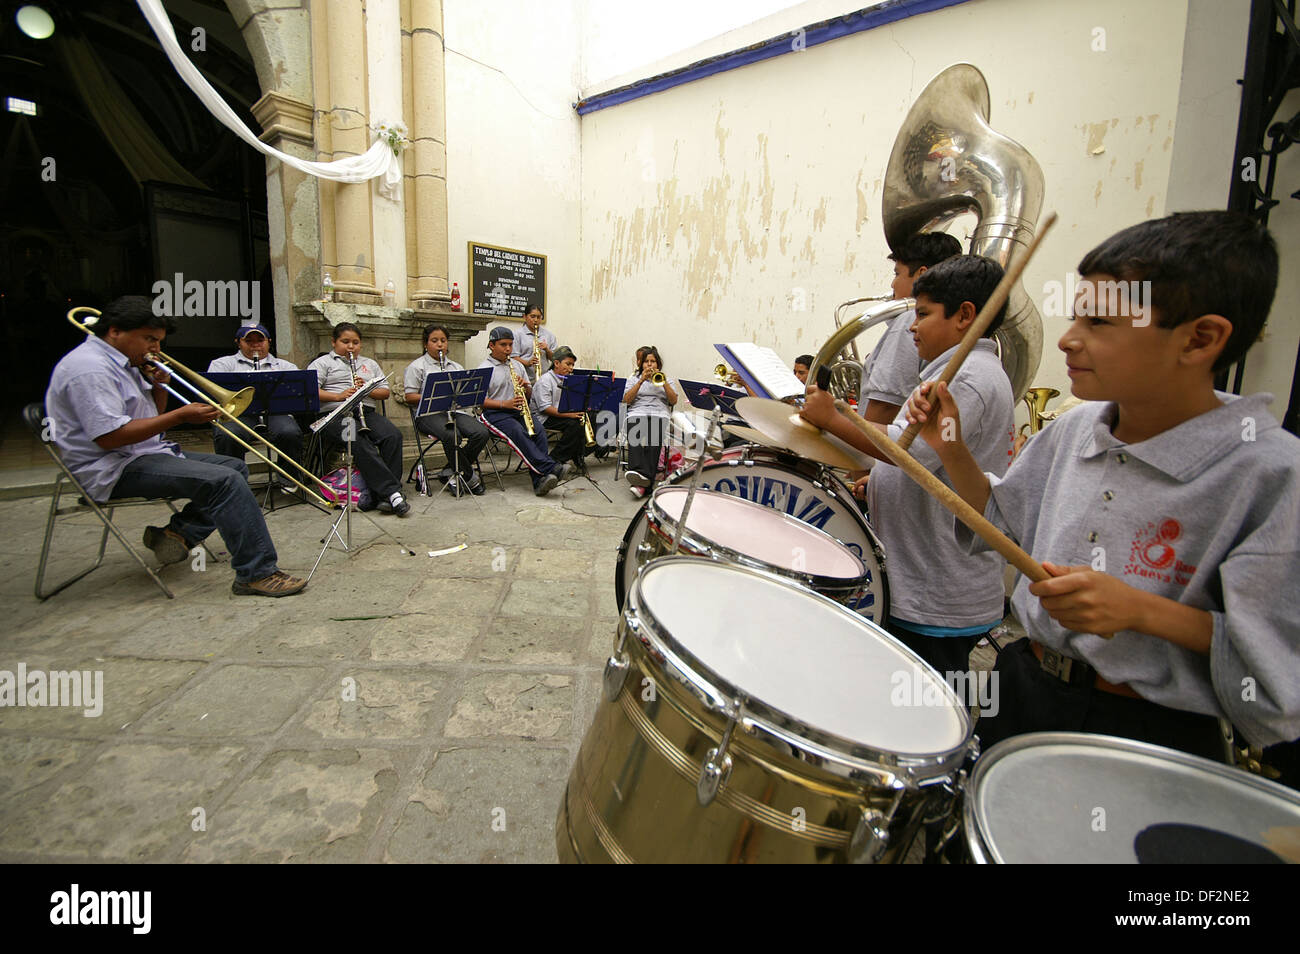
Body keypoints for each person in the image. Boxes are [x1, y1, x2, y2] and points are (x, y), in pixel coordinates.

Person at [904, 210, 1300, 759]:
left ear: (1200, 339)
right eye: (1076, 318)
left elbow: (1279, 661)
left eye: (1099, 324)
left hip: (1147, 732)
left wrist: (1143, 611)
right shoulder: (1074, 428)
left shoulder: (1270, 472)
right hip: (1030, 686)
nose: (1069, 341)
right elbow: (998, 523)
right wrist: (949, 444)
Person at [803, 256, 1014, 675]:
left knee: (919, 705)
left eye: (923, 314)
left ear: (965, 315)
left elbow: (906, 450)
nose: (912, 326)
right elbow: (924, 462)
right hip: (924, 579)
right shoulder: (960, 371)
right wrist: (879, 483)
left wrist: (832, 419)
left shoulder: (966, 378)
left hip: (935, 591)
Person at [45, 296, 306, 596]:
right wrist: (180, 415)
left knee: (233, 466)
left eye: (157, 340)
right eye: (148, 339)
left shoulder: (125, 362)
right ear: (115, 331)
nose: (155, 349)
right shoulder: (90, 369)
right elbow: (110, 437)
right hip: (113, 467)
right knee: (226, 481)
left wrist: (158, 387)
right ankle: (256, 572)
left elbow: (150, 417)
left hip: (141, 453)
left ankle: (176, 535)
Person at [859, 232, 963, 426]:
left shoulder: (908, 321)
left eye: (897, 273)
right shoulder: (946, 323)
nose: (893, 284)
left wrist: (833, 420)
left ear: (921, 274)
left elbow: (885, 406)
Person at [307, 323, 409, 515]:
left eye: (355, 342)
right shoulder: (323, 364)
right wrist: (339, 396)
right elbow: (310, 391)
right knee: (358, 439)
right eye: (345, 342)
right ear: (334, 342)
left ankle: (382, 495)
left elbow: (385, 392)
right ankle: (392, 493)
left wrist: (366, 389)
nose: (351, 347)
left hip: (365, 411)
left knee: (393, 436)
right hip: (335, 414)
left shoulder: (369, 364)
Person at [478, 326, 571, 496]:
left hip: (518, 410)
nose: (508, 349)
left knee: (539, 432)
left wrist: (525, 386)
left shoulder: (516, 365)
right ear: (492, 345)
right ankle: (549, 468)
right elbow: (479, 400)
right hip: (494, 413)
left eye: (510, 345)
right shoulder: (484, 368)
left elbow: (529, 394)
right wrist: (504, 404)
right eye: (503, 345)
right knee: (518, 432)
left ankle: (540, 481)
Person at [403, 323, 488, 496]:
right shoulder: (417, 366)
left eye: (443, 340)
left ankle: (451, 471)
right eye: (434, 341)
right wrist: (433, 397)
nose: (440, 344)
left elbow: (465, 394)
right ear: (426, 344)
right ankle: (468, 476)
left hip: (453, 412)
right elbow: (409, 397)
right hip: (428, 414)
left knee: (481, 432)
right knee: (452, 434)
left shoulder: (455, 367)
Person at [206, 323, 303, 466]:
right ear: (238, 342)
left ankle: (289, 480)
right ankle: (234, 478)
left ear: (269, 342)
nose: (255, 345)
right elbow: (212, 396)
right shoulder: (221, 365)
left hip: (275, 413)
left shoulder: (286, 366)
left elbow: (299, 395)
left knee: (290, 432)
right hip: (237, 415)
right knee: (228, 435)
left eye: (260, 340)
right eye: (249, 341)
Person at [622, 346, 678, 497]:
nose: (649, 364)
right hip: (637, 412)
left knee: (654, 430)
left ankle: (638, 479)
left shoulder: (667, 379)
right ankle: (646, 482)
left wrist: (664, 382)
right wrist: (641, 381)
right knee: (635, 429)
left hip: (659, 414)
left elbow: (673, 401)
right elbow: (626, 401)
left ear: (658, 364)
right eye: (646, 361)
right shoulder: (633, 379)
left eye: (653, 361)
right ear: (641, 364)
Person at [531, 346, 595, 468]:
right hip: (543, 417)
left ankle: (577, 455)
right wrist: (570, 414)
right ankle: (555, 459)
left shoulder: (568, 379)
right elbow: (546, 408)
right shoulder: (545, 381)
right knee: (574, 424)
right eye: (568, 364)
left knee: (590, 417)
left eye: (572, 365)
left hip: (560, 413)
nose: (571, 368)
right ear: (556, 363)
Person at [512, 303, 557, 383]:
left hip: (544, 379)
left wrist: (547, 350)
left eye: (539, 317)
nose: (536, 320)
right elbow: (513, 357)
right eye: (532, 316)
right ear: (525, 317)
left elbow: (555, 359)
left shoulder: (549, 335)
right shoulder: (517, 335)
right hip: (525, 379)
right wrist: (527, 363)